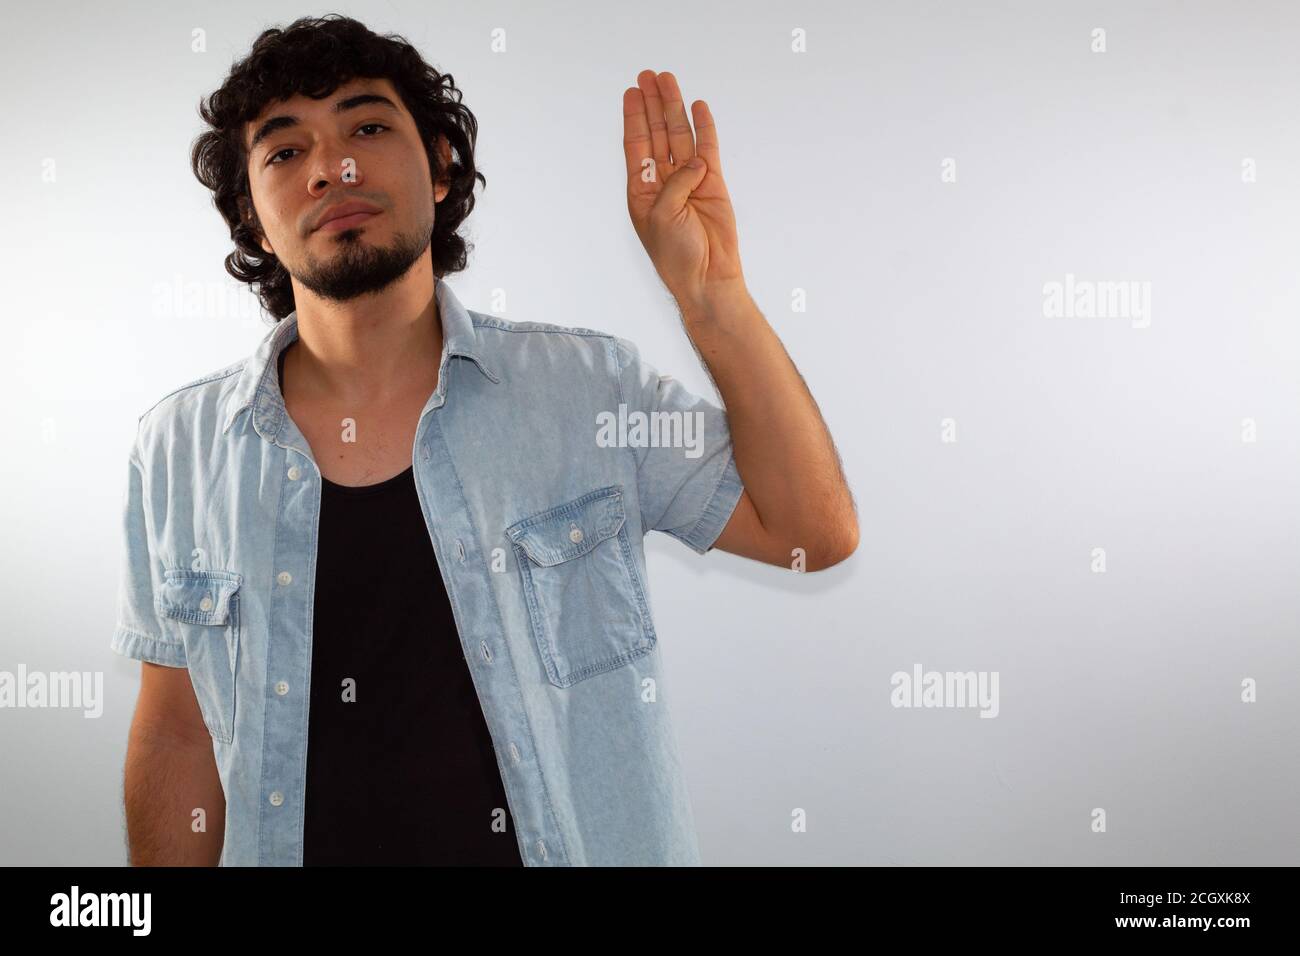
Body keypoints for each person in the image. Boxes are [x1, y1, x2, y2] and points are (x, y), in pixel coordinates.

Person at [113, 14, 857, 867]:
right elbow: (175, 733)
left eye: (366, 126)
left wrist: (712, 293)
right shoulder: (176, 451)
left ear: (440, 167)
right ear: (251, 214)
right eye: (285, 151)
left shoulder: (588, 390)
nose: (334, 167)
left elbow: (812, 532)